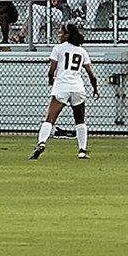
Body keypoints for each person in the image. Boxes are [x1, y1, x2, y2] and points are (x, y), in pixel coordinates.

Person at [30, 24, 98, 160]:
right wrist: (95, 89)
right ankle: (82, 151)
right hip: (77, 88)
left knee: (50, 119)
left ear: (68, 35)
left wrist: (51, 80)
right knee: (80, 120)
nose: (59, 35)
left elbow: (51, 70)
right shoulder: (82, 51)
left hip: (62, 87)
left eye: (61, 33)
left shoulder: (58, 49)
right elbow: (91, 74)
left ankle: (41, 143)